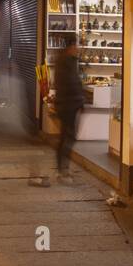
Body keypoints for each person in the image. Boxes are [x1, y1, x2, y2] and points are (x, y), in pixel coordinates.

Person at [54, 34, 84, 182]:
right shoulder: (67, 61)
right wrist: (80, 99)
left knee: (66, 137)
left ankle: (62, 169)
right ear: (71, 46)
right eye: (76, 45)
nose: (78, 48)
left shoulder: (64, 60)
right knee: (68, 137)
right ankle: (62, 171)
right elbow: (71, 83)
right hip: (68, 106)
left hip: (67, 104)